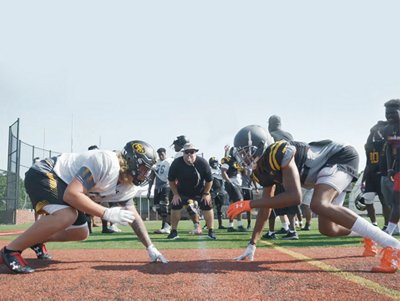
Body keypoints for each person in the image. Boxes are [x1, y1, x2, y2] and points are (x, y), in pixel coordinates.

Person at [228, 126, 400, 273]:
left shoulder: (279, 152)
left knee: (318, 204)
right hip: (323, 174)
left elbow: (295, 197)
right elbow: (266, 207)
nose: (245, 159)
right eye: (241, 155)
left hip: (340, 156)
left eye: (247, 153)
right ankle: (370, 232)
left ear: (262, 146)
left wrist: (250, 203)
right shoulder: (263, 170)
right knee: (328, 229)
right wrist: (252, 245)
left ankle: (392, 244)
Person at [0, 140, 168, 274]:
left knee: (80, 232)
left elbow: (134, 216)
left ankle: (36, 240)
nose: (145, 174)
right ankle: (10, 251)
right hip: (44, 172)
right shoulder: (105, 161)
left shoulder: (128, 185)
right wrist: (106, 212)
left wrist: (150, 247)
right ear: (131, 161)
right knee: (67, 215)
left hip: (64, 184)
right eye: (143, 168)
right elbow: (71, 194)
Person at [167, 143, 217, 240]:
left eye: (192, 152)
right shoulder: (177, 163)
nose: (189, 154)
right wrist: (176, 194)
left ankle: (211, 231)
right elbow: (171, 180)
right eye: (186, 152)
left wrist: (206, 193)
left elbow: (209, 180)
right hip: (182, 191)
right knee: (175, 204)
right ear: (183, 153)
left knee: (207, 204)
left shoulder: (202, 163)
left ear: (195, 153)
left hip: (200, 191)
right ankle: (173, 231)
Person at [266, 115, 300, 240]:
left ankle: (271, 232)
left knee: (270, 202)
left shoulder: (270, 136)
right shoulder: (289, 135)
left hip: (276, 173)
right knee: (290, 202)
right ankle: (292, 231)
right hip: (291, 172)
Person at [361, 121, 390, 227]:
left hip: (382, 175)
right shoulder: (369, 146)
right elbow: (367, 164)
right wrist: (363, 179)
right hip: (371, 176)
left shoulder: (385, 143)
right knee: (368, 199)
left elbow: (383, 138)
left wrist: (377, 130)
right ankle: (374, 224)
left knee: (384, 201)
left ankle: (387, 225)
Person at [171, 135, 202, 234]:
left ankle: (170, 228)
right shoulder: (182, 155)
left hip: (186, 185)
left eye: (176, 144)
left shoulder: (181, 155)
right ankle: (196, 226)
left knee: (185, 206)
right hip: (185, 184)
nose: (174, 146)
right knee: (188, 206)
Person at [382, 99, 400, 236]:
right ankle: (389, 232)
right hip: (398, 170)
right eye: (387, 113)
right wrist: (389, 169)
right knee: (396, 201)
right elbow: (389, 149)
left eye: (393, 113)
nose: (389, 116)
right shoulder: (387, 129)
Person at [147, 147, 173, 234]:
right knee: (157, 208)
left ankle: (165, 226)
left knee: (164, 206)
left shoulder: (169, 161)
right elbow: (152, 177)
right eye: (159, 154)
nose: (161, 156)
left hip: (166, 186)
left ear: (165, 153)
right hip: (157, 188)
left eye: (162, 154)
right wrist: (149, 190)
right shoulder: (156, 163)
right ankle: (165, 224)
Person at [220, 147, 246, 232]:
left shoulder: (237, 162)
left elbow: (243, 173)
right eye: (239, 152)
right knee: (240, 202)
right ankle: (239, 225)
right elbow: (223, 172)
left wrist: (245, 168)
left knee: (233, 205)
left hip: (237, 185)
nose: (240, 154)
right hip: (232, 183)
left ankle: (230, 226)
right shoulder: (228, 160)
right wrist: (229, 182)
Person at [209, 157, 227, 229]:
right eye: (213, 162)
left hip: (220, 191)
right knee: (209, 208)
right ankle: (208, 224)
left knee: (220, 209)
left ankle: (220, 225)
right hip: (212, 191)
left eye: (215, 162)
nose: (215, 163)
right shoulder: (209, 170)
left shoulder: (220, 169)